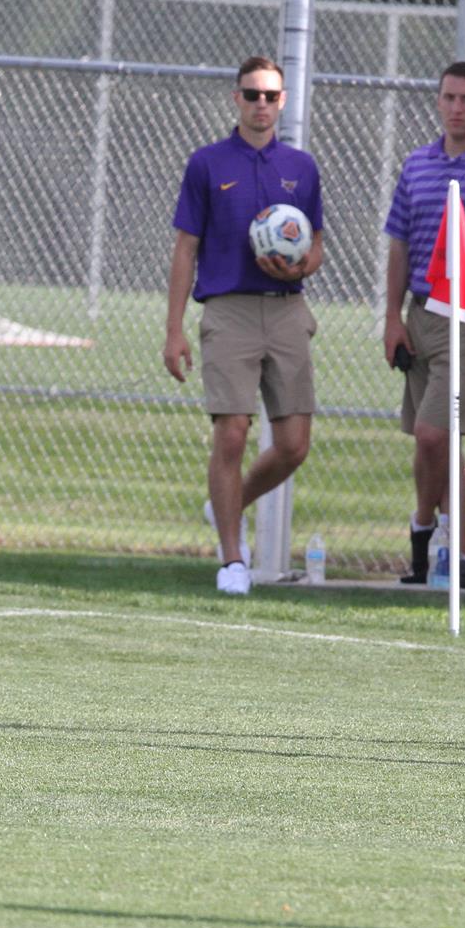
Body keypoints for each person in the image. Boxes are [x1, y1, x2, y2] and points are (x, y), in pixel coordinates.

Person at [163, 55, 326, 596]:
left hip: (285, 309)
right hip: (228, 310)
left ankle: (223, 504)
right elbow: (186, 249)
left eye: (271, 96)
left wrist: (298, 266)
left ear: (283, 102)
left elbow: (317, 245)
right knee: (231, 433)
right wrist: (174, 329)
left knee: (294, 445)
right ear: (236, 99)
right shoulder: (207, 164)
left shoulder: (301, 167)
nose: (261, 104)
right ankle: (233, 558)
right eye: (251, 94)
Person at [383, 61, 465, 589]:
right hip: (422, 313)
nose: (457, 107)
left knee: (440, 430)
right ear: (438, 101)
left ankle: (453, 550)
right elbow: (400, 241)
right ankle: (428, 536)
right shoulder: (417, 165)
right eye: (449, 97)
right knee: (427, 440)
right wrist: (392, 317)